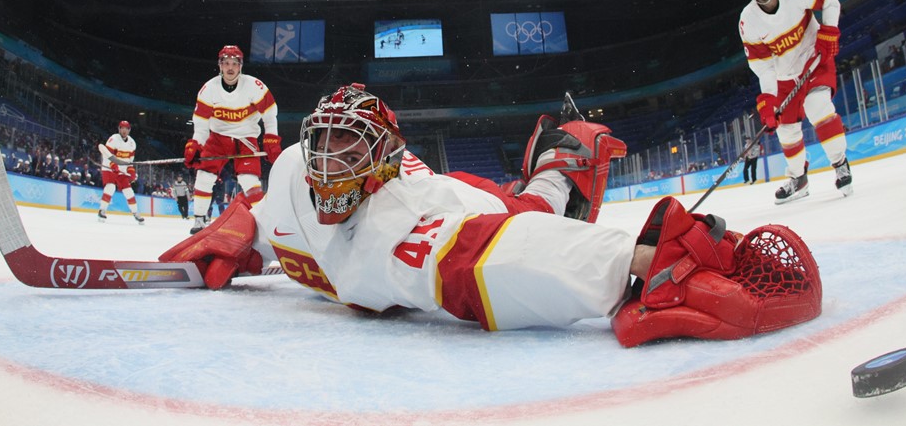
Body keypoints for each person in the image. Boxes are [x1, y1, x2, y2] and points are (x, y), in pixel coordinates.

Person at [161, 84, 822, 347]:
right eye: (323, 145)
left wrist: (636, 261)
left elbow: (481, 255)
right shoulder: (288, 179)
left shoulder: (392, 232)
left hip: (470, 201)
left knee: (530, 206)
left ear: (384, 160)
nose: (329, 165)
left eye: (349, 148)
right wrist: (241, 230)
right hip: (449, 187)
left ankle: (559, 164)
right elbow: (269, 204)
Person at [738, 0, 852, 203]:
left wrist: (829, 31)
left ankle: (840, 163)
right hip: (784, 78)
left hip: (815, 60)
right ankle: (798, 179)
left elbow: (830, 0)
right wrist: (768, 100)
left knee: (818, 106)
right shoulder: (748, 21)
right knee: (786, 131)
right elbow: (764, 67)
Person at [183, 45, 281, 234]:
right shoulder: (208, 90)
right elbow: (201, 124)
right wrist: (195, 144)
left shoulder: (255, 86)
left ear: (240, 66)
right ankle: (199, 220)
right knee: (204, 177)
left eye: (234, 64)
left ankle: (262, 222)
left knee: (249, 179)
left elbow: (270, 114)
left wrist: (271, 138)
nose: (230, 68)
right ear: (220, 65)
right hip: (218, 138)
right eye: (226, 63)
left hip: (246, 138)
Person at [97, 120, 145, 224]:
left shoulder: (132, 143)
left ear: (129, 130)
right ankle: (102, 210)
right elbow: (107, 155)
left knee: (129, 191)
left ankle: (136, 213)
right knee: (110, 187)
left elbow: (129, 162)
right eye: (122, 128)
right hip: (109, 168)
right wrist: (113, 165)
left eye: (126, 128)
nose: (124, 130)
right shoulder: (113, 139)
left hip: (122, 170)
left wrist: (131, 171)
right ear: (119, 129)